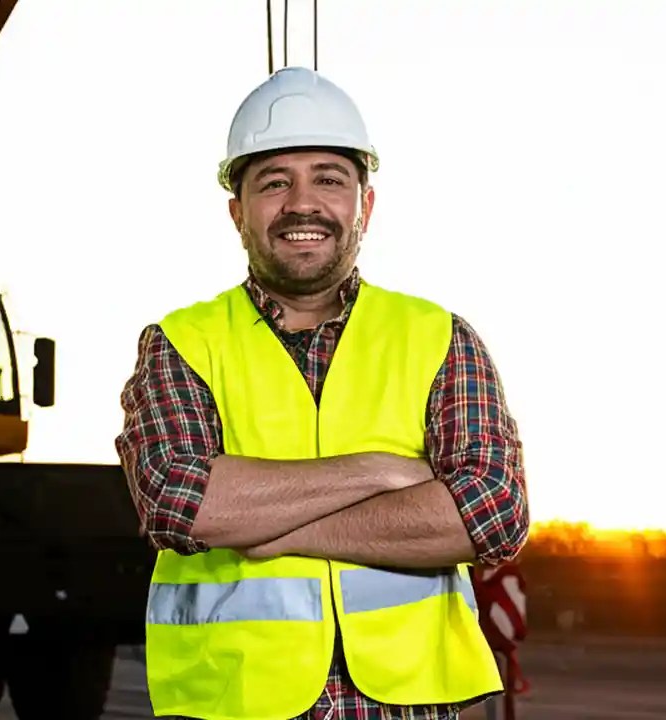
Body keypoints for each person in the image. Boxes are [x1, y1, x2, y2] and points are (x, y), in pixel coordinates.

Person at [114, 66, 530, 720]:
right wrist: (384, 471)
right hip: (236, 703)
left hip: (404, 706)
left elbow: (492, 513)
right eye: (274, 182)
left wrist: (273, 531)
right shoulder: (181, 342)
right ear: (237, 212)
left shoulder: (438, 337)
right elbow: (181, 504)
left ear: (364, 205)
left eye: (329, 180)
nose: (302, 203)